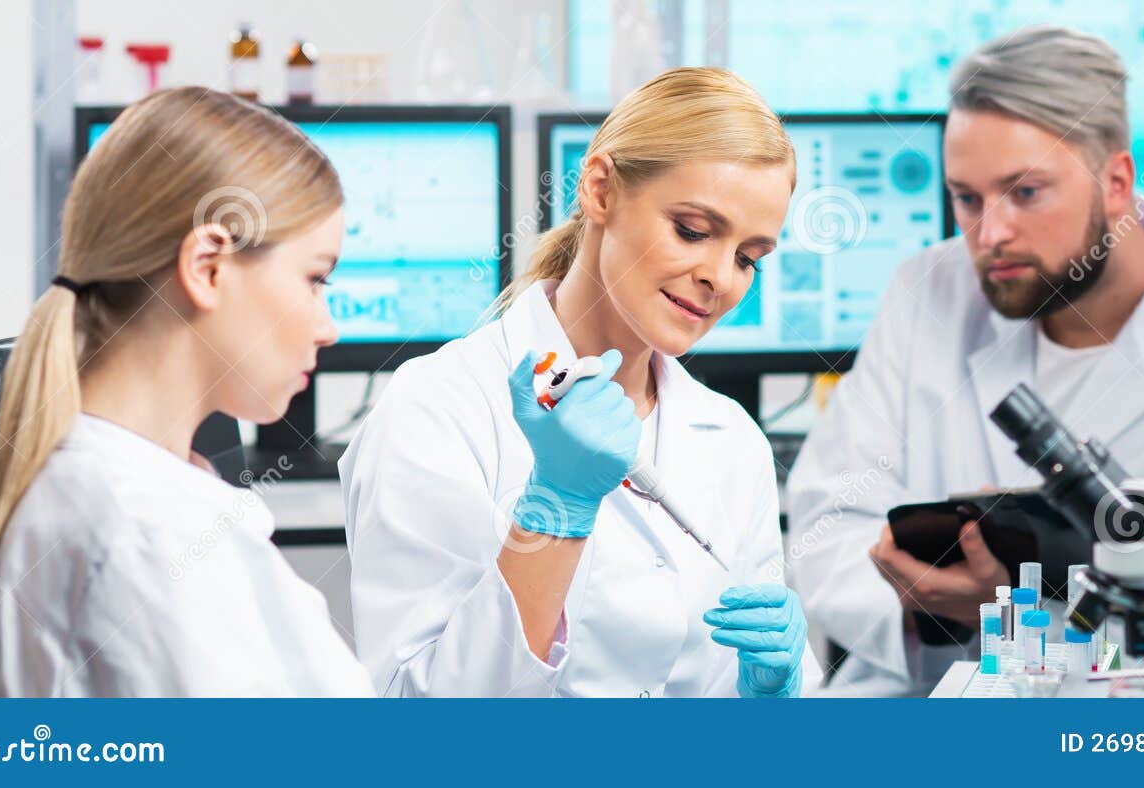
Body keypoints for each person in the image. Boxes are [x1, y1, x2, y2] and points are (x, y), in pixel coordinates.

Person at [785, 26, 1144, 696]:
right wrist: (928, 609)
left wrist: (1008, 615)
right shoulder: (927, 290)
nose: (989, 233)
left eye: (1025, 192)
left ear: (1115, 183)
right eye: (966, 198)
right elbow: (828, 520)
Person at [341, 67, 819, 697]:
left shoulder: (731, 438)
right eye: (693, 231)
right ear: (600, 190)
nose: (720, 278)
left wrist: (769, 703)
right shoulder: (439, 405)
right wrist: (554, 515)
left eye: (747, 257)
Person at [0, 87, 372, 696]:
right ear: (208, 267)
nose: (328, 328)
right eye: (314, 278)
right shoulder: (143, 531)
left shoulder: (127, 493)